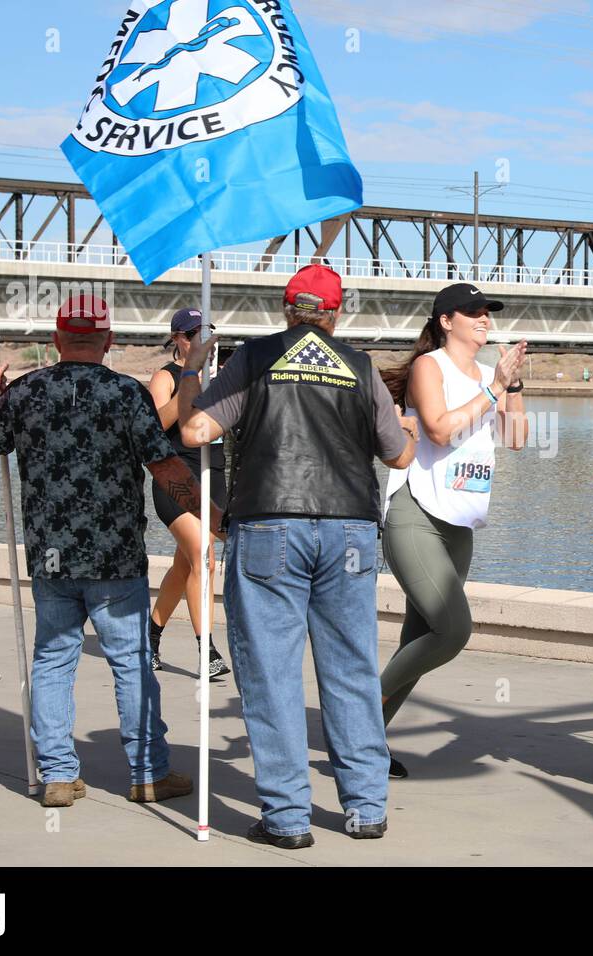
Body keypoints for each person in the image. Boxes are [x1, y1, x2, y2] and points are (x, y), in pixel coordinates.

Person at [178, 264, 416, 849]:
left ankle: (287, 819)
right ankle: (365, 809)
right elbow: (400, 458)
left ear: (288, 310)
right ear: (335, 314)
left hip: (268, 524)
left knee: (271, 673)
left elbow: (194, 432)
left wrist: (189, 370)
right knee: (352, 668)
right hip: (350, 531)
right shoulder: (360, 368)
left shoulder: (253, 359)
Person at [0, 295, 205, 809]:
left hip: (51, 556)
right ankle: (146, 774)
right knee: (132, 663)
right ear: (108, 341)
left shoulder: (26, 392)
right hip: (115, 556)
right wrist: (211, 515)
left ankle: (55, 773)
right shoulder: (126, 393)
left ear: (56, 340)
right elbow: (165, 467)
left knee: (53, 661)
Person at [377, 283, 528, 778]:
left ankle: (366, 745)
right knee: (453, 629)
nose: (484, 319)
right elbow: (440, 430)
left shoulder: (492, 376)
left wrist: (514, 385)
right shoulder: (430, 366)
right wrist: (493, 390)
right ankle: (354, 720)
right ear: (446, 321)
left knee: (419, 640)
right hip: (416, 512)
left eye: (488, 313)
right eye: (473, 312)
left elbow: (518, 439)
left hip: (459, 522)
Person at [145, 307, 231, 677]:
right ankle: (206, 649)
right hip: (175, 475)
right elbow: (155, 424)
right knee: (204, 557)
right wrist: (188, 385)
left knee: (186, 566)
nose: (200, 337)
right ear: (177, 338)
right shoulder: (165, 376)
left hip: (215, 474)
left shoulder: (223, 377)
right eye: (192, 332)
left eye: (205, 331)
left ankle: (150, 636)